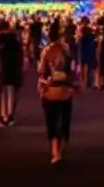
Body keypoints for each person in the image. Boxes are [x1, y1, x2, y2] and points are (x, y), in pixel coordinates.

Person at [37, 20, 76, 164]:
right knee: (63, 119)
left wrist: (42, 86)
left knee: (52, 121)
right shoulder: (66, 50)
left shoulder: (46, 51)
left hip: (50, 90)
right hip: (65, 91)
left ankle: (55, 151)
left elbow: (42, 72)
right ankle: (60, 146)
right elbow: (72, 69)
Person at [0, 19, 23, 127]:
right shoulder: (15, 40)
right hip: (13, 68)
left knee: (3, 94)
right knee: (11, 92)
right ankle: (10, 116)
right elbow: (20, 54)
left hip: (2, 68)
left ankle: (3, 115)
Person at [75, 20, 98, 90]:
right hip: (90, 55)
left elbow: (78, 47)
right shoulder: (92, 38)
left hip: (83, 55)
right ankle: (88, 83)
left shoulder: (81, 39)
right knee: (89, 69)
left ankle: (84, 83)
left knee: (83, 68)